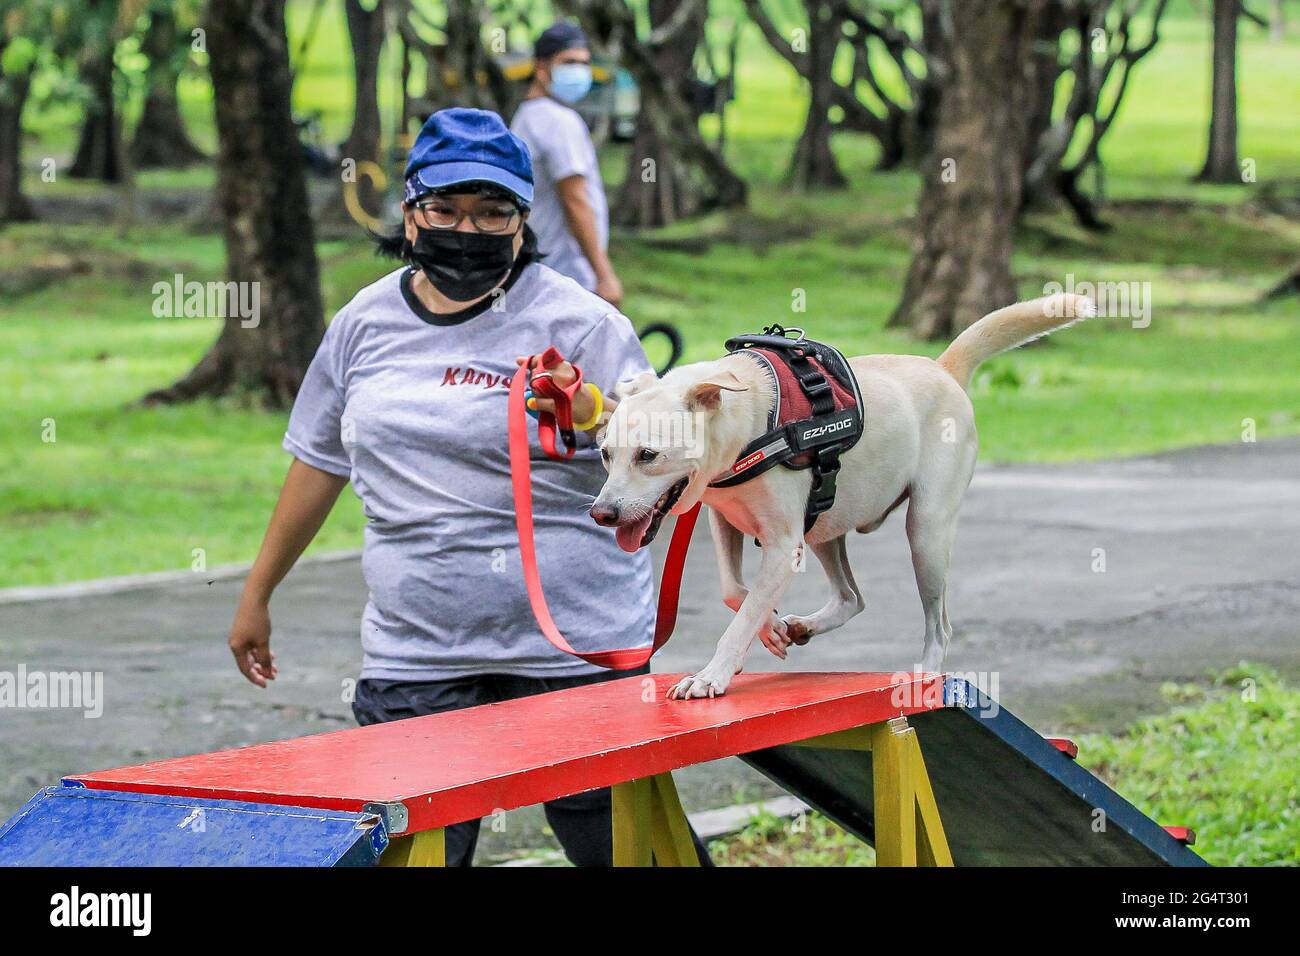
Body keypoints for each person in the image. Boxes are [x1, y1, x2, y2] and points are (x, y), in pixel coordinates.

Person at [225, 107, 710, 867]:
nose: (467, 228)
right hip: (415, 656)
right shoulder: (363, 324)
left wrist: (599, 415)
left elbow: (677, 455)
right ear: (410, 213)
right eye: (445, 210)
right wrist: (258, 593)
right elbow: (319, 460)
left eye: (491, 213)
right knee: (412, 857)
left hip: (573, 651)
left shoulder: (581, 321)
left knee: (629, 854)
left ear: (523, 220)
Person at [511, 22, 623, 307]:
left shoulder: (525, 117)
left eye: (584, 63)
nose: (579, 72)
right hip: (568, 274)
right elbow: (575, 201)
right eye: (569, 62)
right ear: (541, 67)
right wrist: (604, 274)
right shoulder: (557, 121)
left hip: (538, 271)